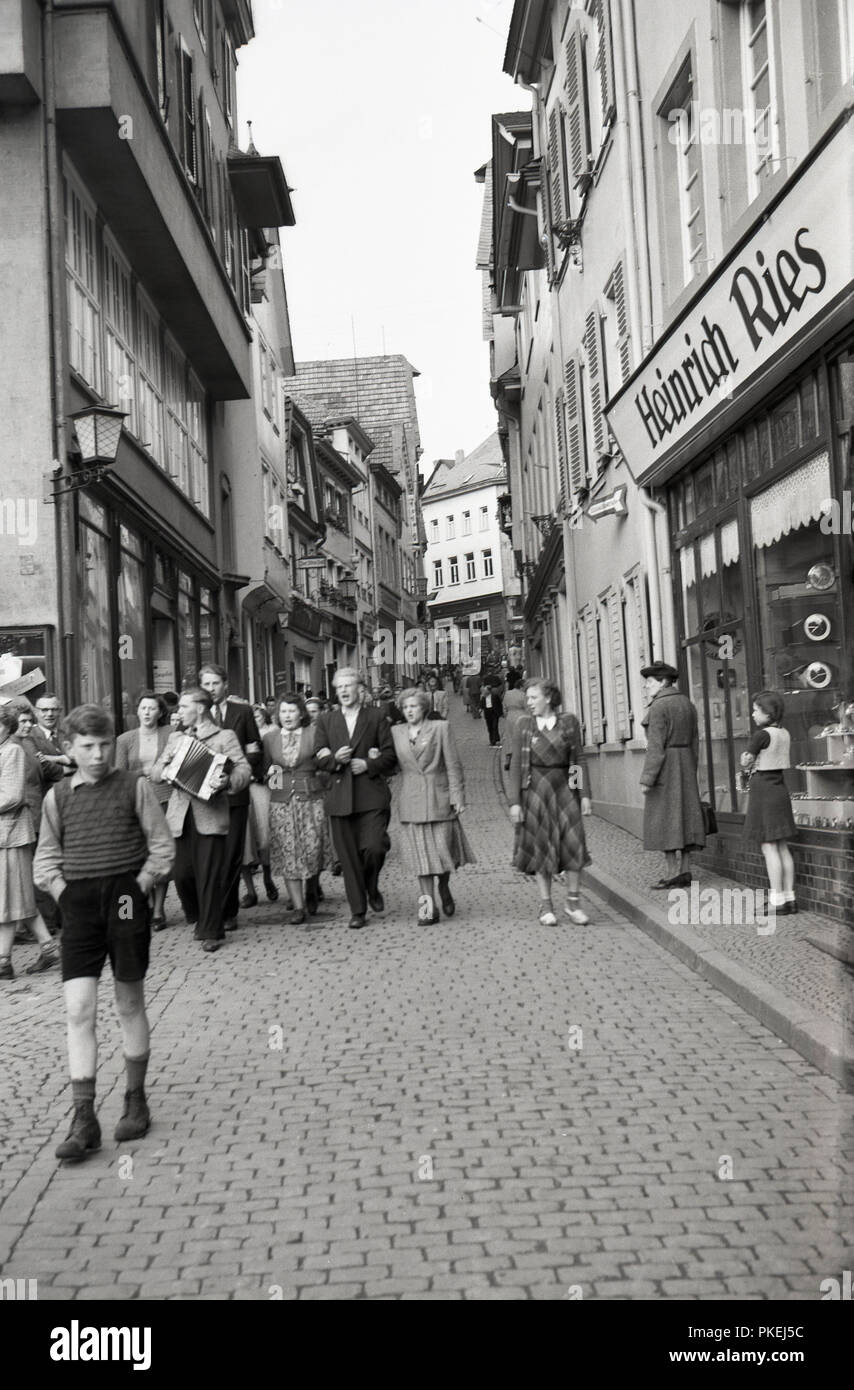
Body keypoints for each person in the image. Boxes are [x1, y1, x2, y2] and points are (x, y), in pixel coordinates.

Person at [32, 705, 174, 1161]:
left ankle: (135, 1100)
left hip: (126, 897)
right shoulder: (58, 797)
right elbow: (45, 859)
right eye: (88, 747)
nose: (98, 754)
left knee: (128, 1000)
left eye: (105, 745)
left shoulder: (134, 787)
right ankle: (84, 1117)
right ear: (70, 748)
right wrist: (61, 892)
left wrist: (142, 884)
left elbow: (161, 845)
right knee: (78, 1010)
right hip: (79, 904)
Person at [151, 688, 250, 953]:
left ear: (201, 708)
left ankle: (211, 930)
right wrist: (167, 766)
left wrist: (227, 780)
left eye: (184, 707)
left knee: (208, 874)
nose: (178, 712)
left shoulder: (224, 736)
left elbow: (243, 769)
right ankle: (198, 915)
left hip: (211, 812)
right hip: (180, 815)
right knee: (182, 874)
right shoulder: (176, 738)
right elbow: (156, 772)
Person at [313, 667, 397, 930]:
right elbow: (318, 756)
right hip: (339, 797)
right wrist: (334, 761)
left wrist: (368, 765)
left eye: (348, 686)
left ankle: (371, 884)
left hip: (370, 795)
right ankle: (358, 910)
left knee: (374, 847)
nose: (344, 691)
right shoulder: (326, 721)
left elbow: (390, 755)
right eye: (339, 688)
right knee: (348, 858)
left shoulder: (376, 716)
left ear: (360, 689)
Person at [507, 678, 592, 925]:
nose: (529, 702)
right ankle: (546, 907)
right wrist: (515, 801)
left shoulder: (568, 722)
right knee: (541, 847)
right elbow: (514, 766)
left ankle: (573, 904)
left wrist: (583, 795)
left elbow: (577, 760)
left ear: (548, 698)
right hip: (534, 790)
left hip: (564, 789)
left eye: (533, 697)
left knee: (574, 844)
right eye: (528, 698)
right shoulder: (524, 725)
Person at [391, 688, 474, 924]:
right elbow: (392, 764)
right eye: (405, 707)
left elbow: (453, 764)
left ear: (424, 708)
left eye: (413, 706)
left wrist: (457, 796)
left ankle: (444, 885)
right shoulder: (396, 732)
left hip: (439, 797)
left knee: (441, 852)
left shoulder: (440, 728)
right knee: (421, 860)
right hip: (411, 802)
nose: (409, 711)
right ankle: (427, 907)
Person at [199, 664, 261, 933]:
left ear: (225, 685)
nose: (211, 689)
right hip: (203, 797)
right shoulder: (195, 716)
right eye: (206, 685)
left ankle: (228, 911)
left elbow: (255, 749)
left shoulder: (242, 712)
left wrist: (237, 772)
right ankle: (209, 911)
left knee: (232, 854)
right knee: (210, 857)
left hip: (234, 793)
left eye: (215, 684)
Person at [0, 705, 60, 978]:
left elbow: (11, 795)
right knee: (17, 896)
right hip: (7, 835)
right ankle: (48, 949)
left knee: (11, 897)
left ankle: (3, 961)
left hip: (12, 834)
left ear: (7, 727)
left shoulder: (11, 751)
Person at [264, 694, 332, 924]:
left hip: (310, 800)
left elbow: (325, 765)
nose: (287, 716)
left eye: (292, 711)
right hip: (281, 803)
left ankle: (312, 886)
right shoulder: (270, 738)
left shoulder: (313, 733)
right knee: (288, 852)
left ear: (301, 713)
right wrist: (274, 783)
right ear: (277, 715)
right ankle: (298, 907)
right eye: (283, 712)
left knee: (312, 848)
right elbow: (268, 769)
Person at [639, 661, 706, 888]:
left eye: (650, 682)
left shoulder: (658, 706)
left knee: (664, 820)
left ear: (663, 682)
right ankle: (685, 870)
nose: (646, 687)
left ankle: (671, 873)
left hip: (666, 767)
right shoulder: (687, 703)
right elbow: (696, 741)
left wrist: (647, 779)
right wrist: (690, 767)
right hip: (685, 763)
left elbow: (656, 746)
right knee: (686, 819)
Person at [115, 692, 173, 930]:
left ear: (160, 712)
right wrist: (146, 773)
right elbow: (120, 773)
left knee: (160, 854)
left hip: (165, 799)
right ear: (137, 711)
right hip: (136, 802)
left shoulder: (170, 734)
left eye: (152, 708)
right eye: (144, 708)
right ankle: (142, 905)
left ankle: (159, 910)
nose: (147, 712)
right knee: (139, 855)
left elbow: (176, 764)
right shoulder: (125, 739)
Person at [740, 691, 797, 914]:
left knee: (768, 845)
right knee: (782, 845)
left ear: (768, 713)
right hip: (780, 788)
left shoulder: (761, 735)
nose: (753, 714)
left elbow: (746, 761)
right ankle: (790, 898)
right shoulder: (785, 733)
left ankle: (776, 900)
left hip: (763, 789)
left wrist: (744, 759)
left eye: (756, 710)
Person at [502, 687, 527, 772]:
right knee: (521, 737)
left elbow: (504, 708)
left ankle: (508, 760)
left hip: (510, 716)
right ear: (521, 686)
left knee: (509, 738)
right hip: (521, 716)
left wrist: (507, 715)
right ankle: (520, 759)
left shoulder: (507, 693)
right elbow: (527, 707)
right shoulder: (523, 694)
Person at [481, 677, 504, 746]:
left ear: (489, 691)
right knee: (489, 727)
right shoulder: (483, 697)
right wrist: (481, 708)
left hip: (494, 712)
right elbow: (481, 705)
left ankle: (496, 740)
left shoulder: (495, 696)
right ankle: (491, 740)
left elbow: (499, 704)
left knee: (495, 727)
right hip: (487, 713)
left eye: (485, 690)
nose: (484, 692)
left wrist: (501, 713)